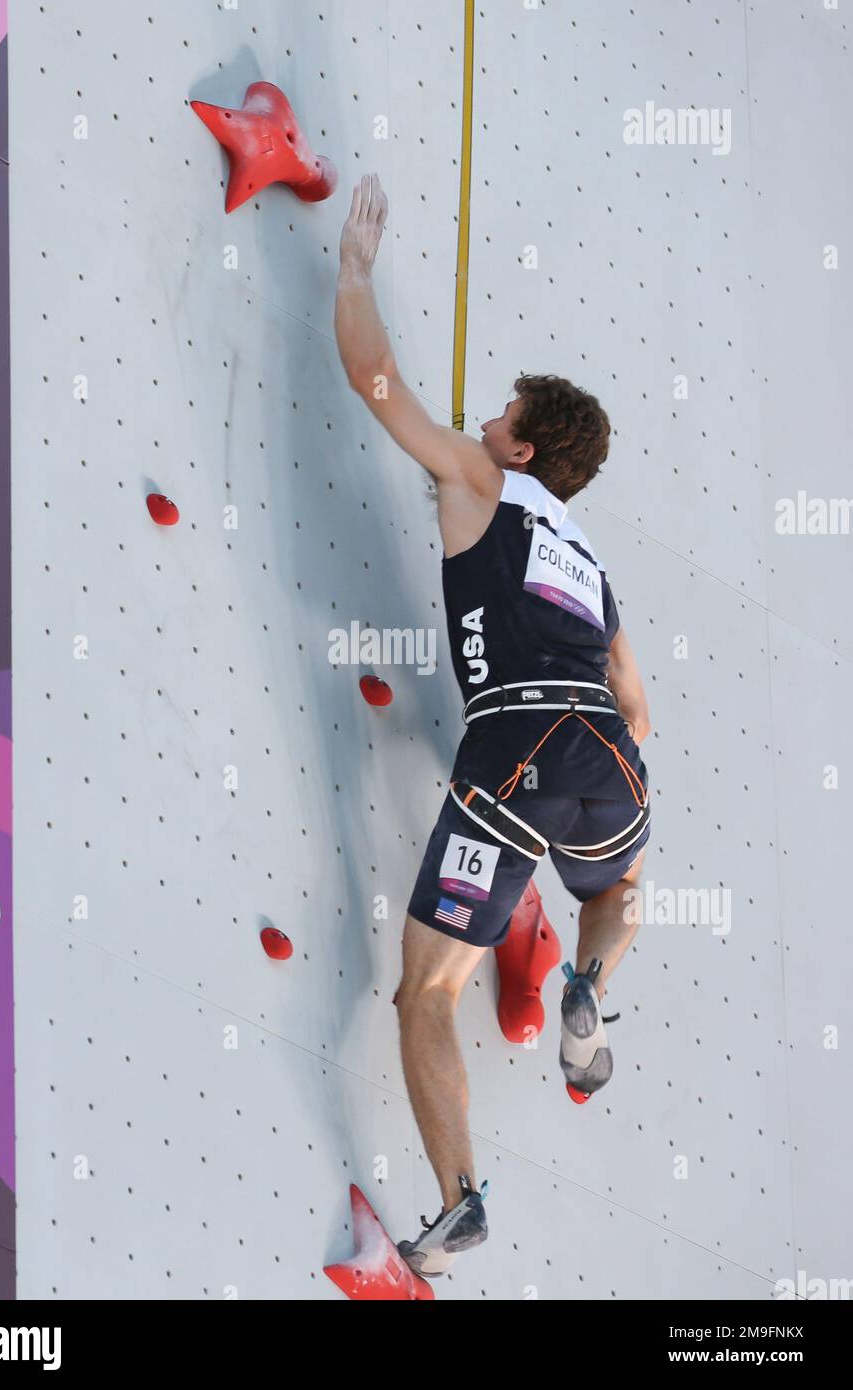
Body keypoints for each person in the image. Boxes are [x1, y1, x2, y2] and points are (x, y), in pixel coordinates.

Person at [335, 175, 652, 1279]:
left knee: (426, 988)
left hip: (514, 748)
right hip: (608, 753)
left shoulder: (481, 482)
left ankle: (460, 1200)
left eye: (501, 419)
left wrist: (355, 276)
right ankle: (588, 987)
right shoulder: (593, 569)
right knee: (616, 889)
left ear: (519, 452)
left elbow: (382, 389)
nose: (483, 422)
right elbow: (639, 709)